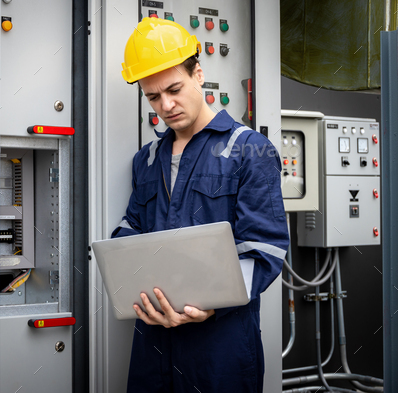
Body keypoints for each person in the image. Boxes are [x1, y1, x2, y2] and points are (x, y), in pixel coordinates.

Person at [112, 18, 289, 392]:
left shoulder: (249, 149)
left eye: (174, 89)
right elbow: (132, 227)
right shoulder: (146, 159)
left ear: (198, 75)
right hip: (153, 344)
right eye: (153, 96)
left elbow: (265, 248)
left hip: (219, 349)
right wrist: (122, 258)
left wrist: (212, 304)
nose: (166, 105)